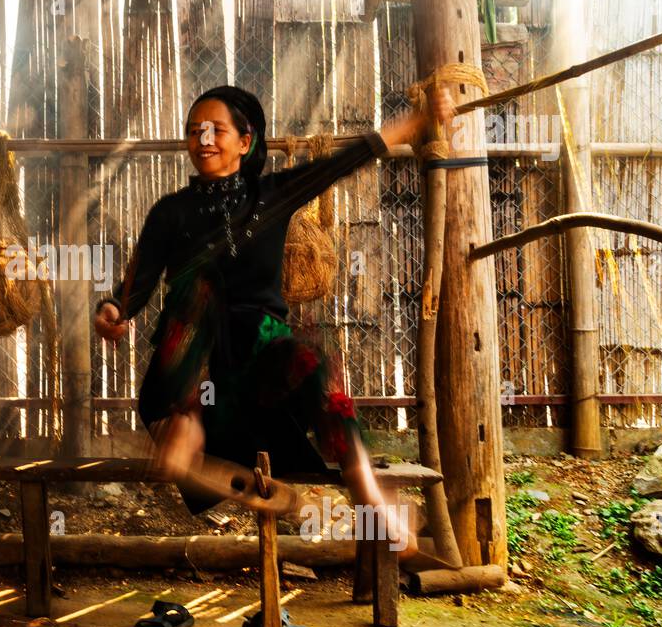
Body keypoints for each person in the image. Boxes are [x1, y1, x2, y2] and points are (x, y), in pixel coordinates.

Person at [93, 84, 455, 559]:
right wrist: (113, 312)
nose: (202, 139)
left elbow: (348, 159)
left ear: (245, 142)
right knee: (198, 292)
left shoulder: (273, 195)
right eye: (193, 130)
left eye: (215, 129)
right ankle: (182, 420)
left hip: (255, 379)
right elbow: (133, 288)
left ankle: (369, 502)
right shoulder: (170, 213)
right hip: (189, 373)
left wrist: (419, 121)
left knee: (310, 359)